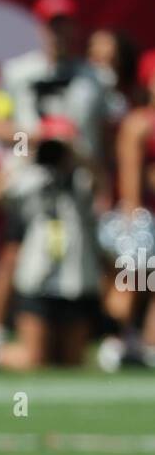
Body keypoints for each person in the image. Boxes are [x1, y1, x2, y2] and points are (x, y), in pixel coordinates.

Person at [0, 0, 108, 367]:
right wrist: (37, 135)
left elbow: (103, 135)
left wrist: (82, 155)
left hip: (77, 183)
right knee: (14, 251)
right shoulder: (17, 73)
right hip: (29, 177)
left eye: (65, 26)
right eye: (53, 26)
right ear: (40, 28)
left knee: (78, 257)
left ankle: (103, 335)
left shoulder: (92, 79)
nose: (59, 34)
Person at [0, 116, 102, 370]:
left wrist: (77, 153)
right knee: (35, 359)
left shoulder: (83, 176)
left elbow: (102, 188)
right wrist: (27, 156)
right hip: (37, 275)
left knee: (71, 363)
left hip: (76, 277)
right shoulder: (29, 174)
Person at [99, 49, 155, 370]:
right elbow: (133, 183)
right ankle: (117, 337)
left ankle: (146, 343)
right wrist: (135, 225)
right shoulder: (138, 124)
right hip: (139, 217)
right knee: (135, 277)